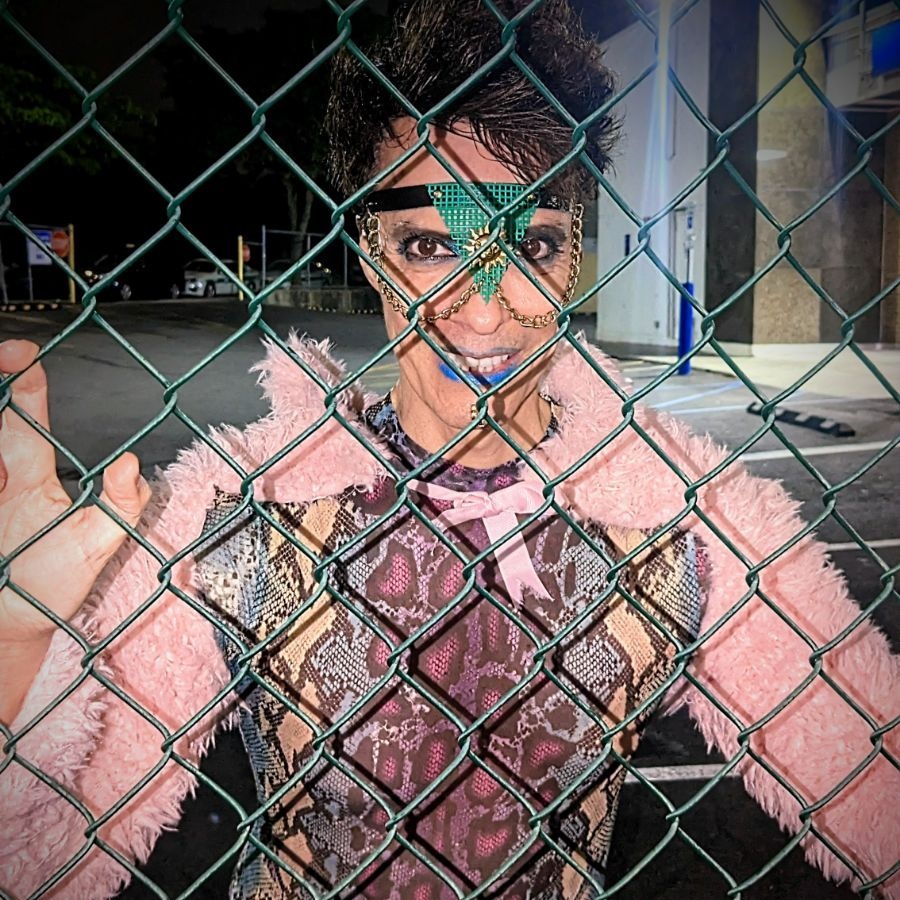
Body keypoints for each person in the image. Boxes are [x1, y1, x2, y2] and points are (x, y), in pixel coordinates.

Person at [0, 1, 897, 898]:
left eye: (531, 243)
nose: (483, 309)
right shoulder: (240, 508)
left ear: (573, 258)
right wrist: (16, 638)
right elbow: (47, 854)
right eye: (431, 245)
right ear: (370, 252)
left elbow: (873, 786)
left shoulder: (687, 513)